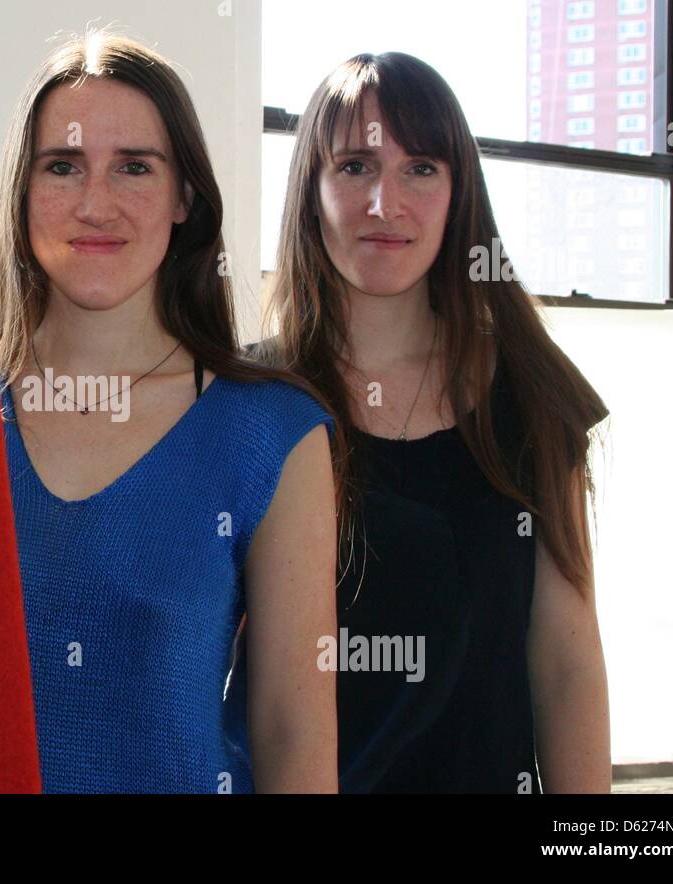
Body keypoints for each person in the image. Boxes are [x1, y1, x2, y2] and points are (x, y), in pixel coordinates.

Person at [0, 30, 338, 793]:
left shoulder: (272, 433)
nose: (95, 203)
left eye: (134, 167)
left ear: (185, 197)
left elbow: (294, 735)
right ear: (24, 189)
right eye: (63, 166)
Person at [254, 52, 611, 793]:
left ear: (459, 195)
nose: (386, 201)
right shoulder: (249, 404)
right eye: (355, 166)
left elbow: (567, 663)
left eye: (420, 168)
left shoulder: (535, 399)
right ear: (311, 190)